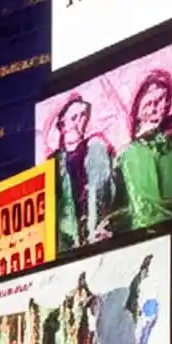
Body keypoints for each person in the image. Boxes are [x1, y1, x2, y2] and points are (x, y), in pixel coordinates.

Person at [115, 70, 172, 231]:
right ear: (137, 108)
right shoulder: (132, 153)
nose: (155, 108)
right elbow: (144, 213)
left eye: (161, 100)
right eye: (149, 103)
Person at [50, 95, 116, 248]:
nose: (80, 121)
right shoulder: (54, 162)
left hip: (96, 234)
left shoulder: (96, 148)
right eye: (74, 117)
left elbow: (104, 188)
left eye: (83, 115)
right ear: (62, 125)